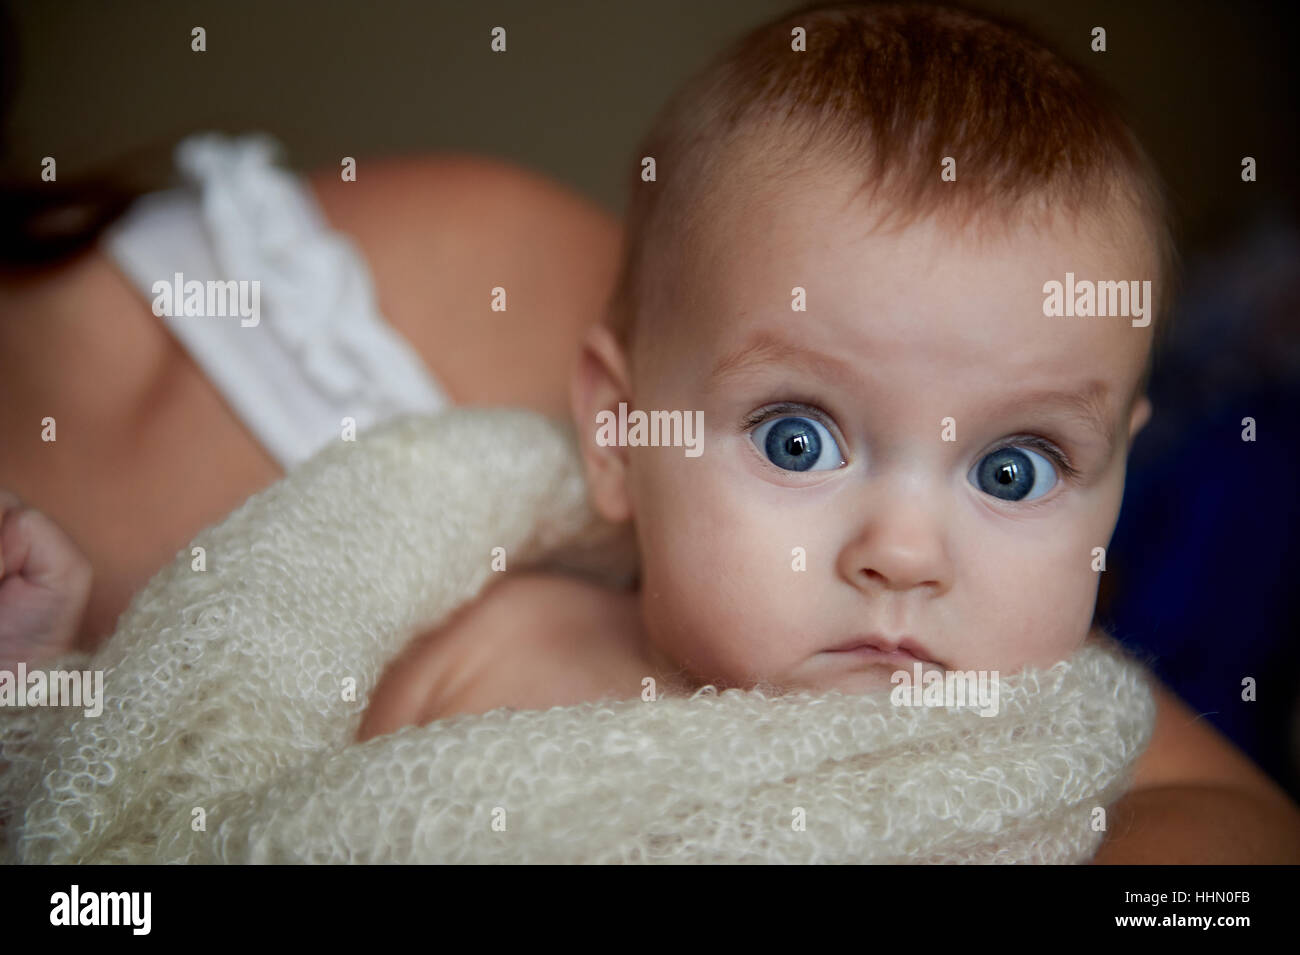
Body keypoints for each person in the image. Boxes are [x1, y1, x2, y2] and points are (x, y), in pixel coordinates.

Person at [3, 0, 1298, 865]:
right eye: (797, 442)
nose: (906, 554)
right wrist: (35, 693)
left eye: (1016, 470)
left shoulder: (1057, 745)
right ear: (616, 439)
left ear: (1119, 479)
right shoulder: (486, 650)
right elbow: (190, 818)